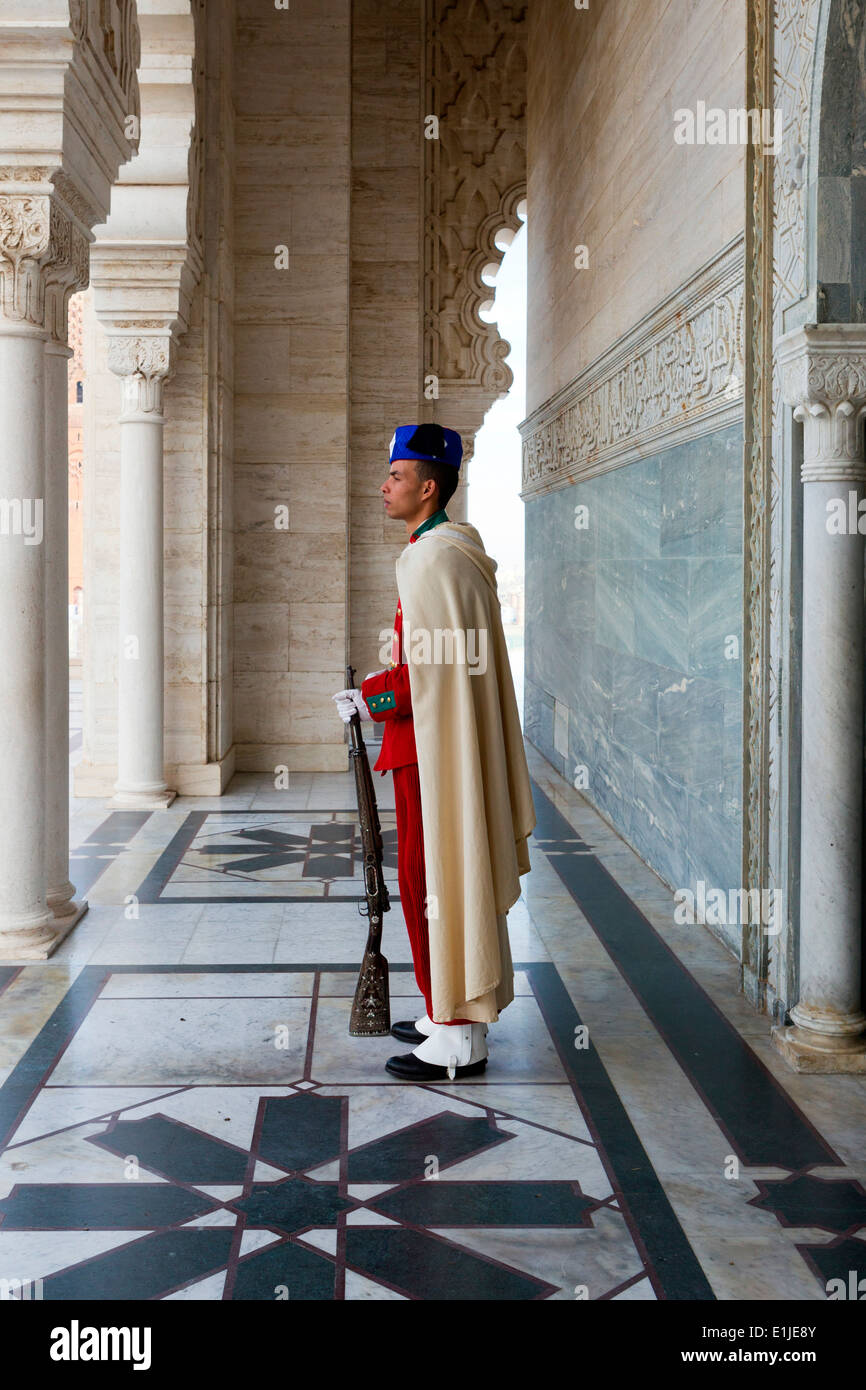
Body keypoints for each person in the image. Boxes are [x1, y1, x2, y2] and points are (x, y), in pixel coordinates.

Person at [333, 423, 536, 1081]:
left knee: (433, 885)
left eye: (395, 476)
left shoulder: (433, 558)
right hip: (429, 746)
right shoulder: (448, 550)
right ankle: (444, 1004)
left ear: (428, 486)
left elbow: (428, 674)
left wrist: (370, 697)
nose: (383, 486)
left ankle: (454, 1039)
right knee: (433, 882)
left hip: (431, 754)